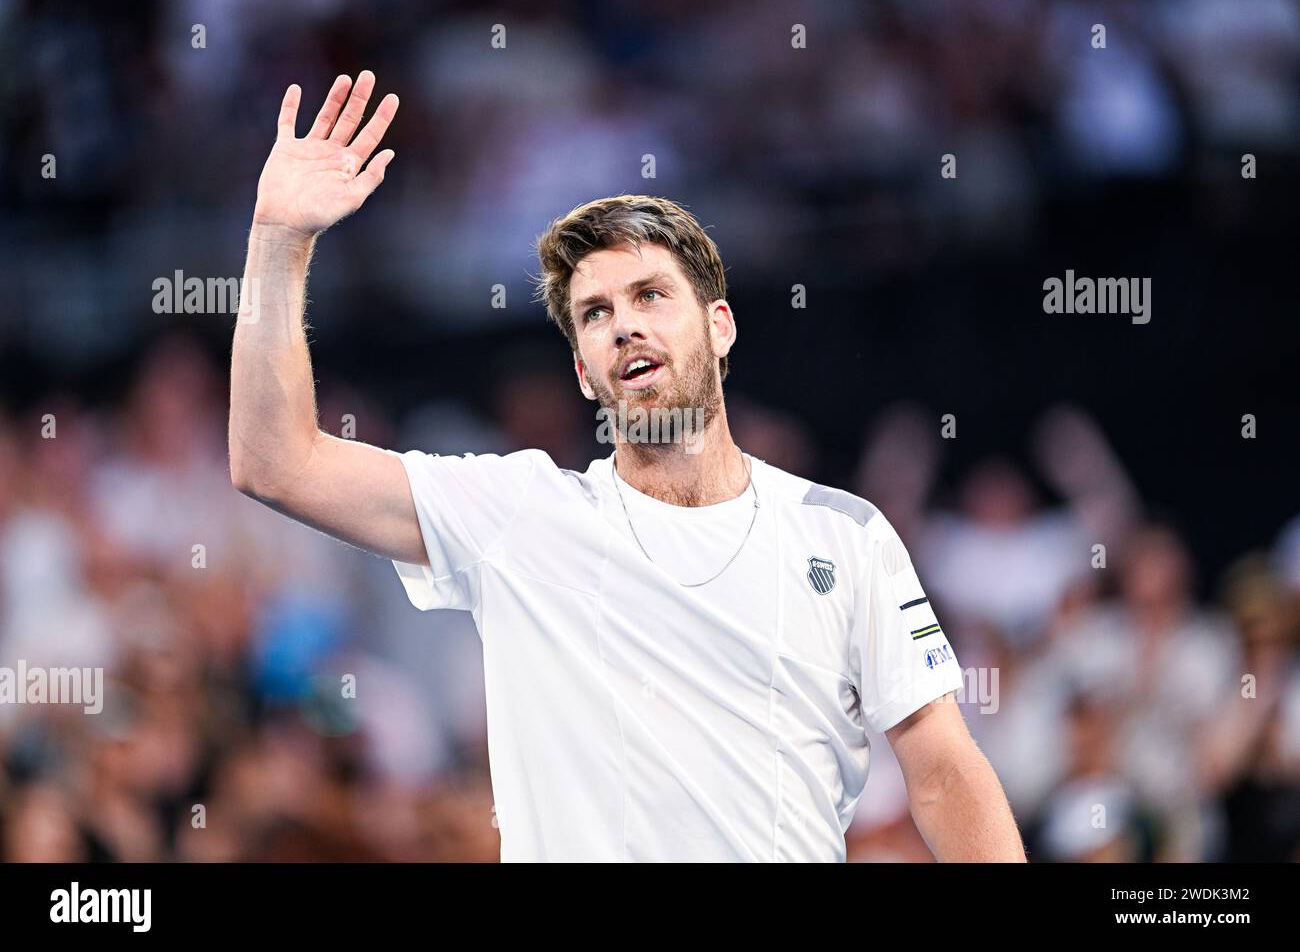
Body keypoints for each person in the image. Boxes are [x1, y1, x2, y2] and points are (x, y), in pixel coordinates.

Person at [228, 71, 1026, 862]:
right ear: (583, 371)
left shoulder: (846, 535)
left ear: (720, 327)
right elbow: (275, 461)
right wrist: (279, 240)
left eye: (650, 296)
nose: (624, 328)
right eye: (596, 315)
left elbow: (945, 774)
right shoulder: (518, 513)